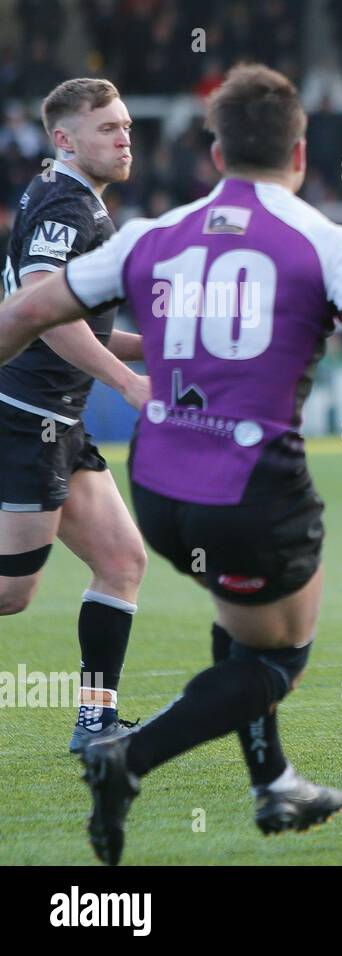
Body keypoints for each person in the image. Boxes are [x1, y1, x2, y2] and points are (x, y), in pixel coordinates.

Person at [0, 64, 342, 864]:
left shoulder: (150, 235)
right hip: (249, 485)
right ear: (301, 153)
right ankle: (123, 758)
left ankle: (271, 783)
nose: (125, 137)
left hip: (161, 482)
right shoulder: (326, 240)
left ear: (214, 151)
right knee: (276, 655)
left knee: (204, 598)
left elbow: (27, 311)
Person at [0, 78, 150, 754]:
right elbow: (39, 307)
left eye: (125, 126)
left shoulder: (73, 199)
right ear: (64, 140)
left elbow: (70, 323)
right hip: (27, 413)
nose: (124, 138)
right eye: (107, 129)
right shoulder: (67, 202)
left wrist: (154, 348)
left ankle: (94, 722)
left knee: (120, 560)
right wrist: (128, 381)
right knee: (10, 594)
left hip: (57, 416)